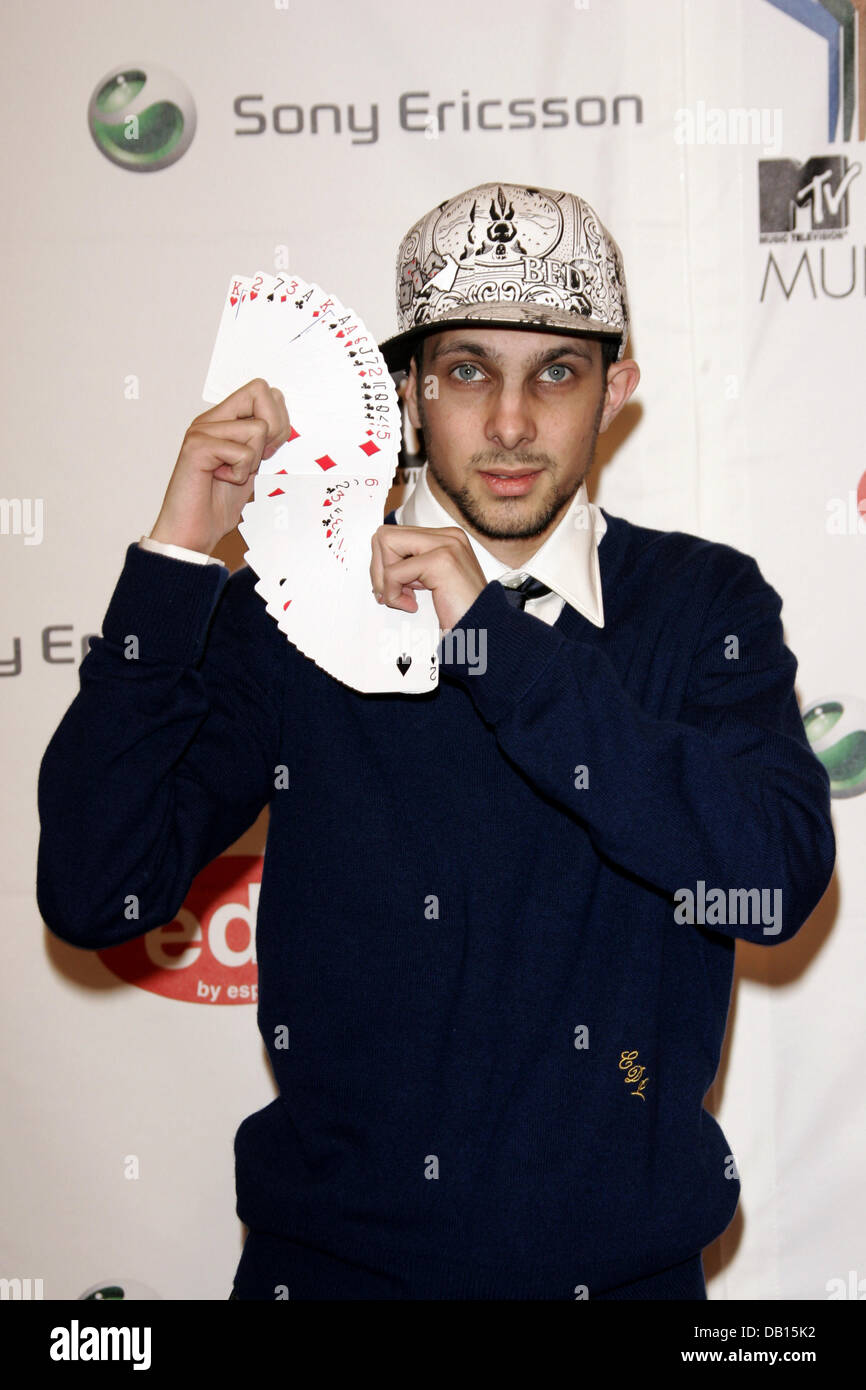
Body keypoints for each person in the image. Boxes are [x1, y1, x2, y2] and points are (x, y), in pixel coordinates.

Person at [36, 181, 835, 1301]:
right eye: (466, 370)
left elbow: (771, 882)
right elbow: (94, 886)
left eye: (554, 372)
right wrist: (177, 553)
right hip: (330, 1278)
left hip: (625, 1281)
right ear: (407, 392)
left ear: (618, 390)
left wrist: (491, 638)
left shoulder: (700, 605)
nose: (509, 424)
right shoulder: (293, 605)